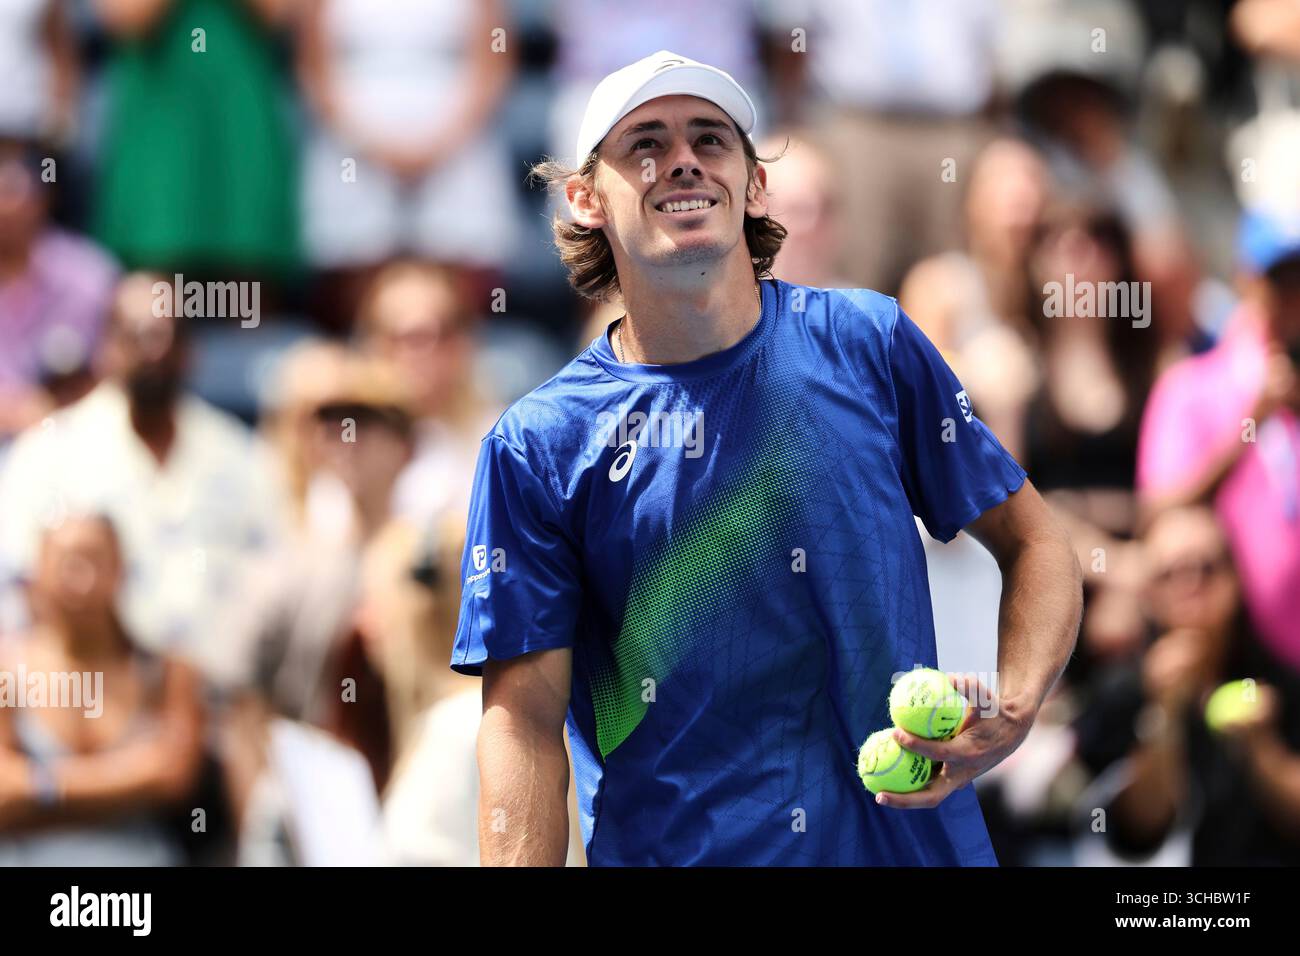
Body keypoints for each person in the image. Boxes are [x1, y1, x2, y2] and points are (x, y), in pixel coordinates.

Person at [453, 51, 1083, 866]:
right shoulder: (536, 446)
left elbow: (1036, 541)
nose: (683, 158)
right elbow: (524, 728)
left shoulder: (871, 342)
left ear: (753, 187)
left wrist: (1019, 707)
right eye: (645, 142)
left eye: (711, 139)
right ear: (584, 200)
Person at [0, 272, 285, 684]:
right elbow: (18, 585)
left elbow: (275, 580)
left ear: (190, 351)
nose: (154, 351)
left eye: (166, 336)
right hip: (94, 699)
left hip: (223, 693)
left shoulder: (241, 458)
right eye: (136, 335)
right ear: (105, 348)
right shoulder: (48, 453)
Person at [1077, 507, 1300, 865]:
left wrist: (1262, 748)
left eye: (1206, 568)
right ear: (1149, 595)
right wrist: (1164, 715)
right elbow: (1138, 831)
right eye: (1171, 573)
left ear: (1236, 581)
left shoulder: (1276, 682)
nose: (1191, 585)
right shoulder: (1123, 691)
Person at [1136, 208, 1300, 675]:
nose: (1294, 299)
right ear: (1248, 283)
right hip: (1236, 659)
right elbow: (1160, 512)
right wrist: (1254, 422)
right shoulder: (1192, 386)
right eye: (1281, 282)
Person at [0, 514, 205, 865]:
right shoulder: (8, 668)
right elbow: (3, 795)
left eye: (95, 559)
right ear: (38, 569)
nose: (80, 578)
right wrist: (131, 775)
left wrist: (39, 786)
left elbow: (174, 778)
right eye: (66, 561)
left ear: (120, 569)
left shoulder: (168, 671)